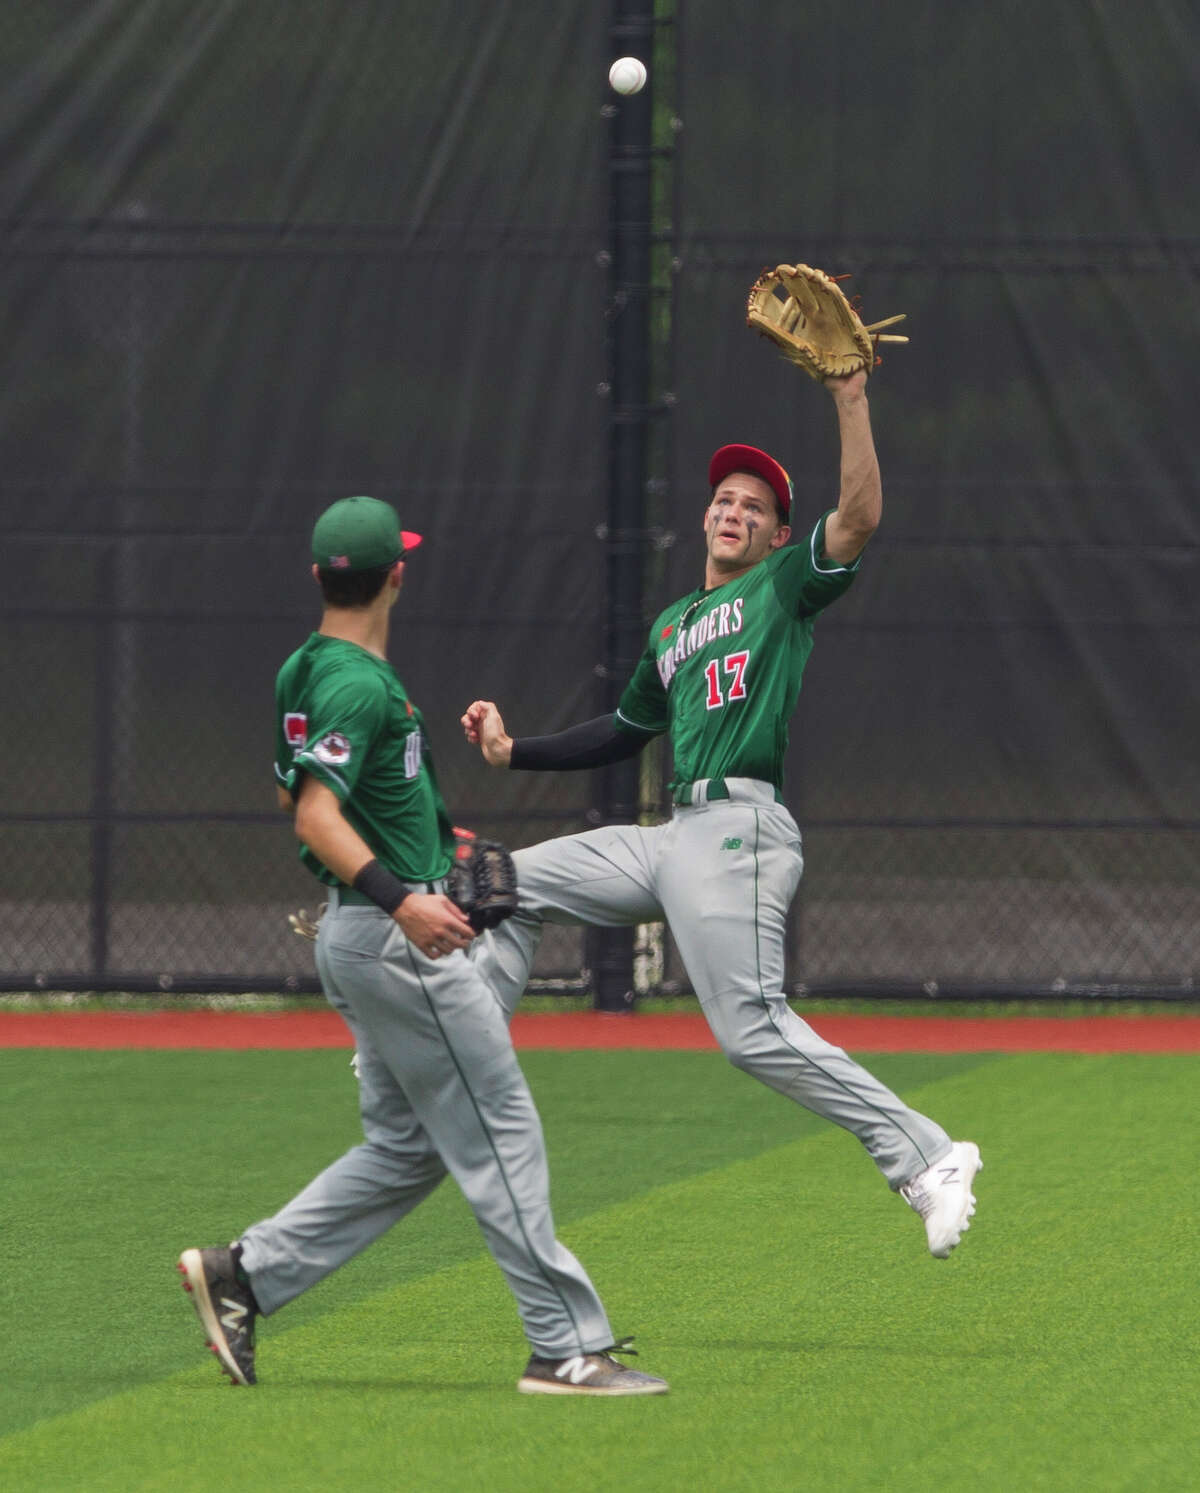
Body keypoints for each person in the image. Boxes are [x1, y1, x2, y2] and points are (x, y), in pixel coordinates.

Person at [463, 371, 982, 1259]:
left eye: (754, 505)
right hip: (670, 836)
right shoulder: (675, 625)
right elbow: (625, 729)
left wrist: (850, 397)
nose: (732, 510)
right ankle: (451, 1041)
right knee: (505, 883)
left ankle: (929, 1153)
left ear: (779, 533)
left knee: (750, 1031)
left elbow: (857, 517)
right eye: (723, 499)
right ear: (703, 519)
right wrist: (518, 751)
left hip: (739, 833)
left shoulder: (783, 584)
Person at [178, 495, 667, 1397]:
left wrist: (439, 849)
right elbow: (319, 814)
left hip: (361, 931)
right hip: (393, 939)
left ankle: (248, 1272)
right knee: (500, 1127)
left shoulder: (307, 667)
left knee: (408, 1148)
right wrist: (405, 895)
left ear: (321, 576)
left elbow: (298, 795)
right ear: (396, 574)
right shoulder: (358, 685)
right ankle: (565, 1347)